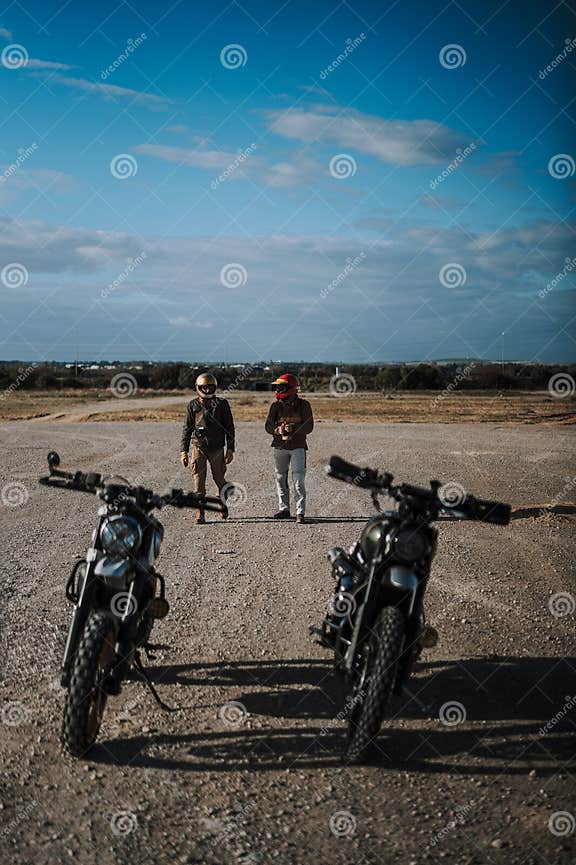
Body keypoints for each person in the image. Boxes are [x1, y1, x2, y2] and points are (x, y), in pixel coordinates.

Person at [180, 372, 235, 524]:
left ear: (215, 388)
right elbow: (187, 429)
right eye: (204, 387)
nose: (208, 390)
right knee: (199, 481)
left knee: (219, 478)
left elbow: (229, 427)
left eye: (210, 387)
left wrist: (231, 449)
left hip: (217, 448)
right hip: (198, 448)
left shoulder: (222, 404)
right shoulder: (193, 405)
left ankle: (222, 500)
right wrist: (183, 451)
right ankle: (200, 513)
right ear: (198, 388)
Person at [265, 373, 314, 524]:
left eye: (282, 387)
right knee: (280, 477)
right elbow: (268, 425)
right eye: (278, 387)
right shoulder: (275, 406)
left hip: (298, 447)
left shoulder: (304, 405)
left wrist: (294, 428)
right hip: (279, 446)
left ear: (292, 388)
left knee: (298, 479)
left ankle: (300, 512)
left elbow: (309, 426)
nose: (279, 389)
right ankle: (284, 509)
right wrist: (278, 430)